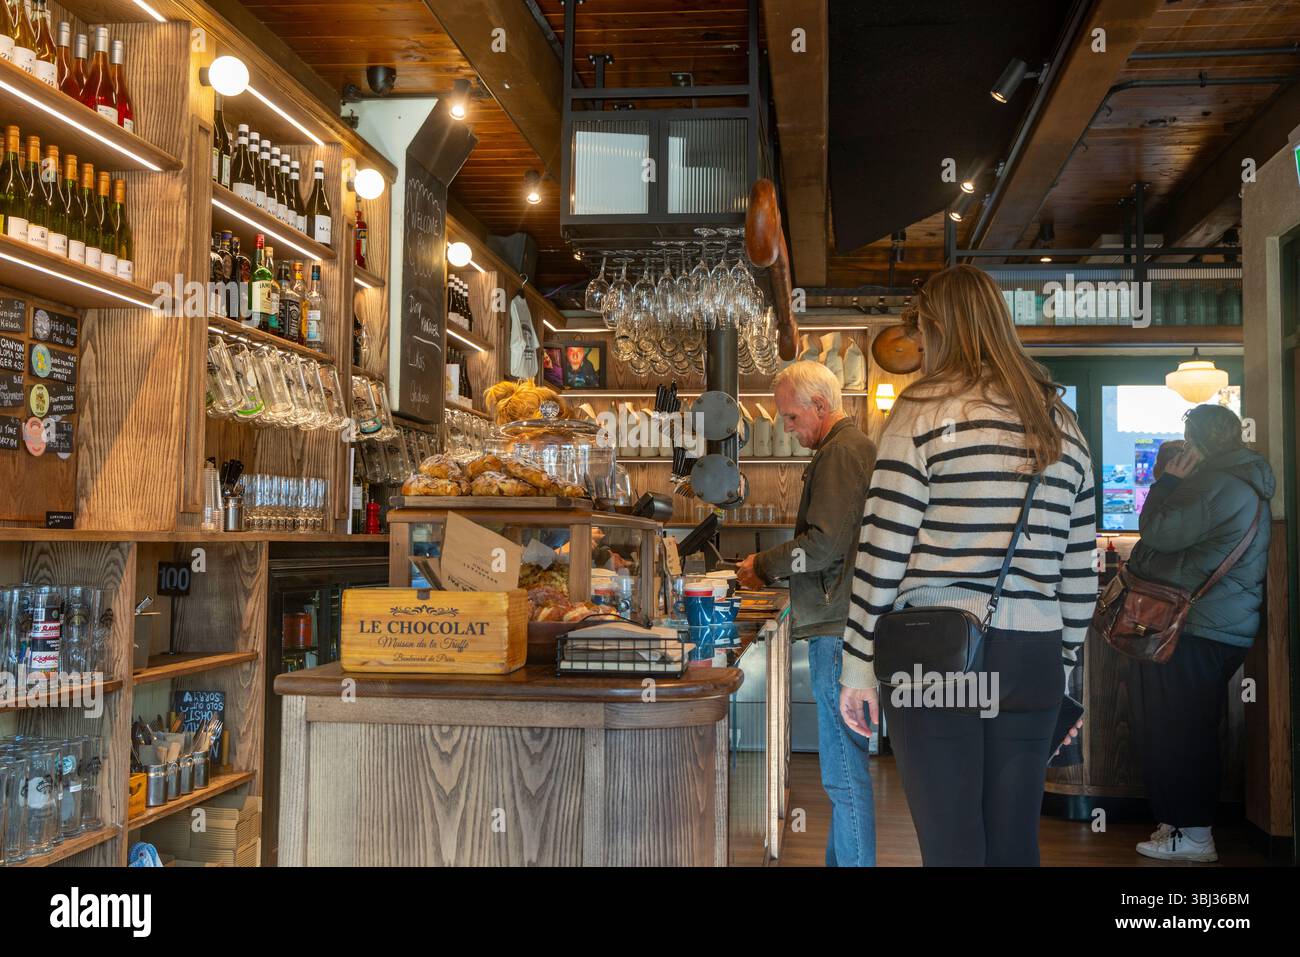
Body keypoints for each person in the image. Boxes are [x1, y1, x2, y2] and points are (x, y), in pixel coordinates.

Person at [838, 264, 1095, 866]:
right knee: (1013, 846)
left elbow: (884, 547)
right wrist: (1063, 668)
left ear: (938, 327)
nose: (920, 350)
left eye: (922, 335)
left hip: (939, 656)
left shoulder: (924, 410)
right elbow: (1078, 571)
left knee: (953, 847)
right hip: (1033, 657)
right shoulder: (1064, 424)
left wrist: (857, 666)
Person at [735, 361, 877, 866]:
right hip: (843, 622)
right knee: (845, 767)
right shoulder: (847, 448)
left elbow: (820, 548)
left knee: (842, 770)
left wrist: (763, 564)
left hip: (837, 628)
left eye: (792, 418)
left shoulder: (841, 453)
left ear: (820, 406)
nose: (788, 429)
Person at [1127, 405, 1273, 863]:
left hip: (1196, 627)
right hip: (1221, 626)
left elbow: (1157, 532)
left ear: (1199, 440)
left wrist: (1167, 482)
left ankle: (1190, 835)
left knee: (1178, 730)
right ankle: (1181, 826)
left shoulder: (1216, 483)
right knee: (1187, 727)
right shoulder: (1247, 481)